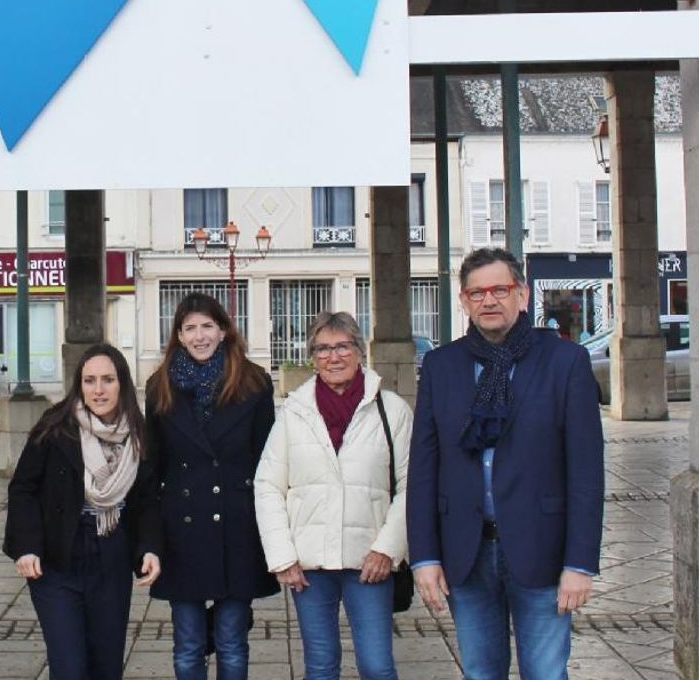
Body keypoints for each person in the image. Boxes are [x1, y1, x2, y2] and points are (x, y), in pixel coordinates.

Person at [407, 247, 604, 679]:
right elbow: (424, 467)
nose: (489, 300)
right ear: (463, 300)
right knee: (480, 672)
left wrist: (580, 563)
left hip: (544, 550)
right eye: (477, 293)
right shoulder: (442, 366)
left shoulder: (565, 362)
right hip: (466, 552)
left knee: (546, 672)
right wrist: (423, 556)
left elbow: (586, 472)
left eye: (500, 289)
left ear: (523, 294)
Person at [255, 312, 411, 680]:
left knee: (377, 666)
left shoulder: (392, 410)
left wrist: (387, 548)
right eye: (322, 349)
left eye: (342, 346)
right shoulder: (293, 413)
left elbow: (411, 485)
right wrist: (283, 557)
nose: (333, 356)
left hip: (369, 561)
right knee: (321, 667)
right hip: (309, 565)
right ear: (312, 357)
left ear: (359, 351)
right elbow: (268, 486)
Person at [5, 343, 163, 680]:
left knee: (106, 666)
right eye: (89, 380)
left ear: (122, 382)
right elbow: (23, 488)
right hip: (59, 557)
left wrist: (149, 546)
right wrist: (26, 546)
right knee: (69, 667)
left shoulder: (138, 434)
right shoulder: (55, 426)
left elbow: (147, 499)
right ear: (79, 385)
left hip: (112, 553)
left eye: (108, 379)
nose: (99, 389)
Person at [146, 292, 278, 680]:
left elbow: (266, 464)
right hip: (181, 532)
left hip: (236, 528)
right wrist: (147, 540)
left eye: (207, 326)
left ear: (223, 331)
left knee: (233, 643)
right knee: (187, 645)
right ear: (179, 336)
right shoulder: (160, 386)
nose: (199, 336)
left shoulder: (254, 383)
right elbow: (151, 467)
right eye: (190, 328)